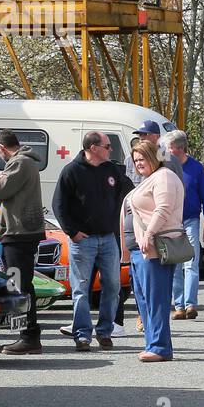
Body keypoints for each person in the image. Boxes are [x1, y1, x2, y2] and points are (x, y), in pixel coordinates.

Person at [53, 130, 131, 352]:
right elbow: (59, 205)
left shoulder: (111, 169)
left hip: (108, 239)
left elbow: (128, 192)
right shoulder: (72, 171)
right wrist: (72, 232)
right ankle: (82, 334)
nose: (111, 150)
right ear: (93, 148)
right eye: (107, 146)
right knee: (81, 288)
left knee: (113, 286)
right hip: (82, 241)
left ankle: (105, 331)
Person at [122, 140, 185, 363]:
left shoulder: (164, 176)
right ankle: (153, 344)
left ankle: (159, 347)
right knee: (144, 300)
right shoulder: (149, 179)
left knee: (155, 299)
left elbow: (164, 208)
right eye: (135, 159)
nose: (138, 163)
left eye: (142, 158)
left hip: (155, 248)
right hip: (142, 250)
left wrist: (148, 234)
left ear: (153, 156)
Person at [0, 130, 46, 355]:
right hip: (21, 232)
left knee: (19, 285)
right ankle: (25, 333)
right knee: (20, 283)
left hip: (18, 232)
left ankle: (28, 335)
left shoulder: (19, 163)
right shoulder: (24, 161)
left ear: (1, 148)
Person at [163, 130, 204, 320]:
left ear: (179, 148)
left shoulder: (196, 168)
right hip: (172, 221)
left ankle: (191, 304)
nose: (166, 150)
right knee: (175, 264)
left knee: (191, 263)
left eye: (169, 147)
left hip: (191, 220)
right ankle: (179, 305)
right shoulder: (165, 166)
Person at [126, 120, 163, 185]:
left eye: (146, 134)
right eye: (140, 134)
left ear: (157, 136)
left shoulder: (167, 157)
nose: (142, 138)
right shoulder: (130, 158)